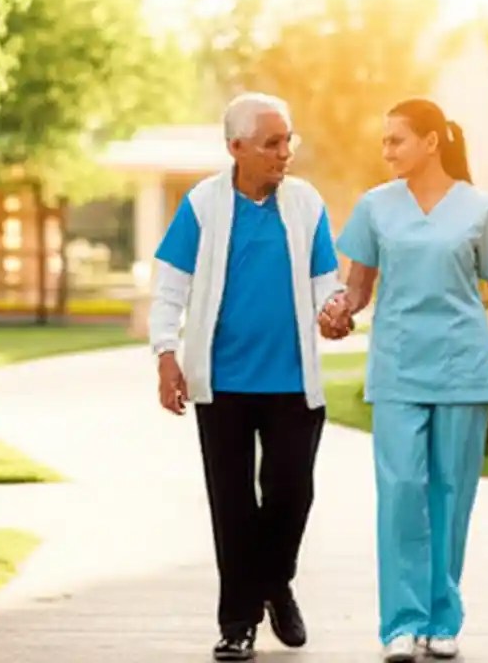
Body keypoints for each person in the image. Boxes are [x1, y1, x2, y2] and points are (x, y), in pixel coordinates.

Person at [318, 97, 488, 662]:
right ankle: (400, 625)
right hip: (399, 367)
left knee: (451, 495)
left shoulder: (481, 209)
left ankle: (441, 618)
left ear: (432, 142)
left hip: (462, 368)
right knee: (401, 492)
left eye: (396, 140)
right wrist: (339, 311)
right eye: (383, 141)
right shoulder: (376, 207)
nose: (386, 151)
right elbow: (358, 289)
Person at [148, 92, 349, 661]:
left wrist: (334, 311)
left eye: (289, 140)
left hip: (292, 383)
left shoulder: (306, 203)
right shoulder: (202, 205)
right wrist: (166, 354)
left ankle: (273, 582)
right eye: (272, 143)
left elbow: (323, 282)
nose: (285, 152)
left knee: (292, 495)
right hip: (224, 385)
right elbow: (170, 290)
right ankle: (238, 623)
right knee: (232, 507)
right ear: (235, 147)